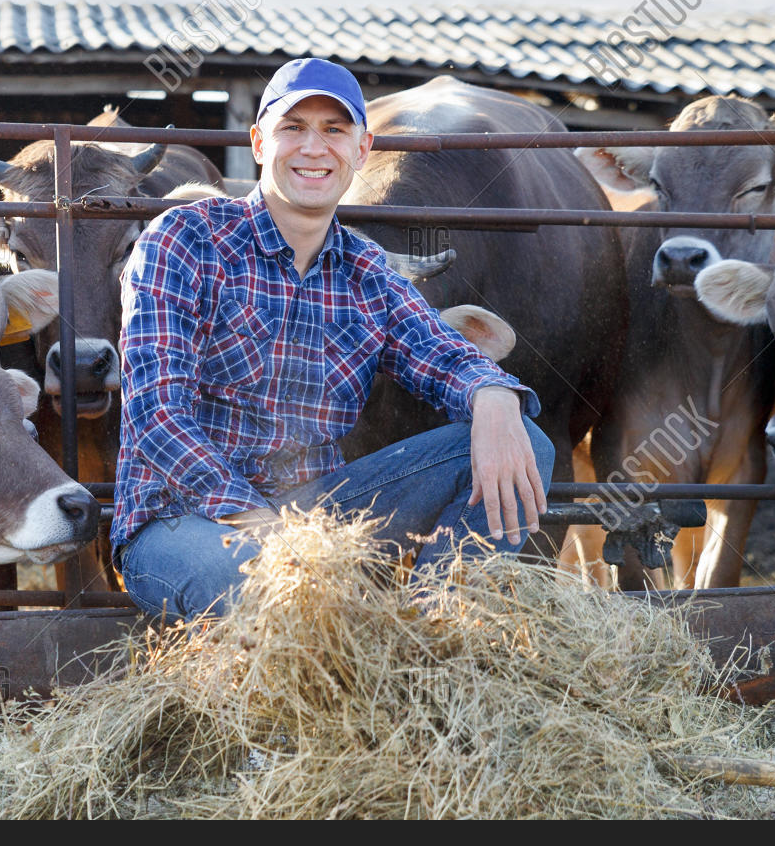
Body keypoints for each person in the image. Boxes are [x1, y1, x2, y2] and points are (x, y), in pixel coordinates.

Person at [112, 57, 553, 620]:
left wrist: (491, 395)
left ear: (362, 150)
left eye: (334, 130)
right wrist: (269, 536)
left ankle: (428, 637)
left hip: (313, 519)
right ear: (258, 142)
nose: (314, 149)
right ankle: (321, 619)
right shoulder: (184, 238)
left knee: (526, 443)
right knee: (256, 586)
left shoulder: (367, 270)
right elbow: (157, 415)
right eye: (292, 127)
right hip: (183, 524)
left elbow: (442, 355)